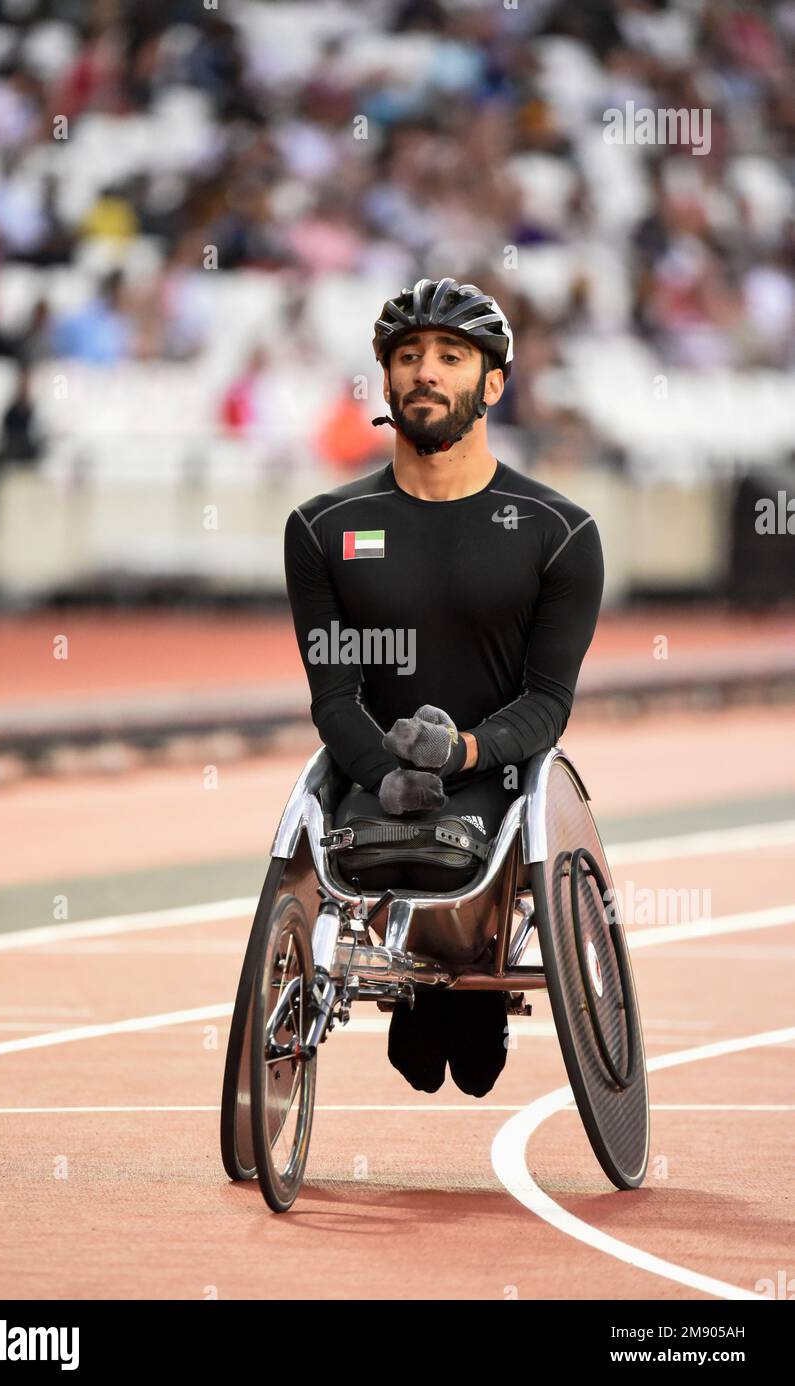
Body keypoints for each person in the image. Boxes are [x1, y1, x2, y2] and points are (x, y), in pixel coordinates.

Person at [284, 276, 604, 1096]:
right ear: (385, 382)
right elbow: (333, 697)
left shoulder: (559, 533)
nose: (425, 371)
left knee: (460, 1050)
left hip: (493, 781)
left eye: (450, 357)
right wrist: (383, 770)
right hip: (373, 780)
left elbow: (547, 703)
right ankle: (420, 975)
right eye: (407, 356)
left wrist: (460, 750)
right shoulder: (323, 529)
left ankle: (464, 978)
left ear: (491, 384)